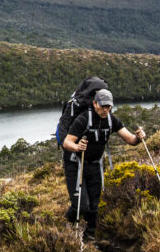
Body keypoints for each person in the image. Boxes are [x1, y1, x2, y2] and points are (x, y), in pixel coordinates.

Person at [62, 88, 146, 240]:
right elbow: (67, 142)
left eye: (108, 107)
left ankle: (89, 237)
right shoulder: (83, 119)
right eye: (102, 106)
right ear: (94, 103)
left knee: (94, 206)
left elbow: (130, 140)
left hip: (95, 166)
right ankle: (67, 221)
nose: (105, 109)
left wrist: (139, 137)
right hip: (76, 165)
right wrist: (77, 147)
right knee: (81, 205)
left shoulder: (111, 120)